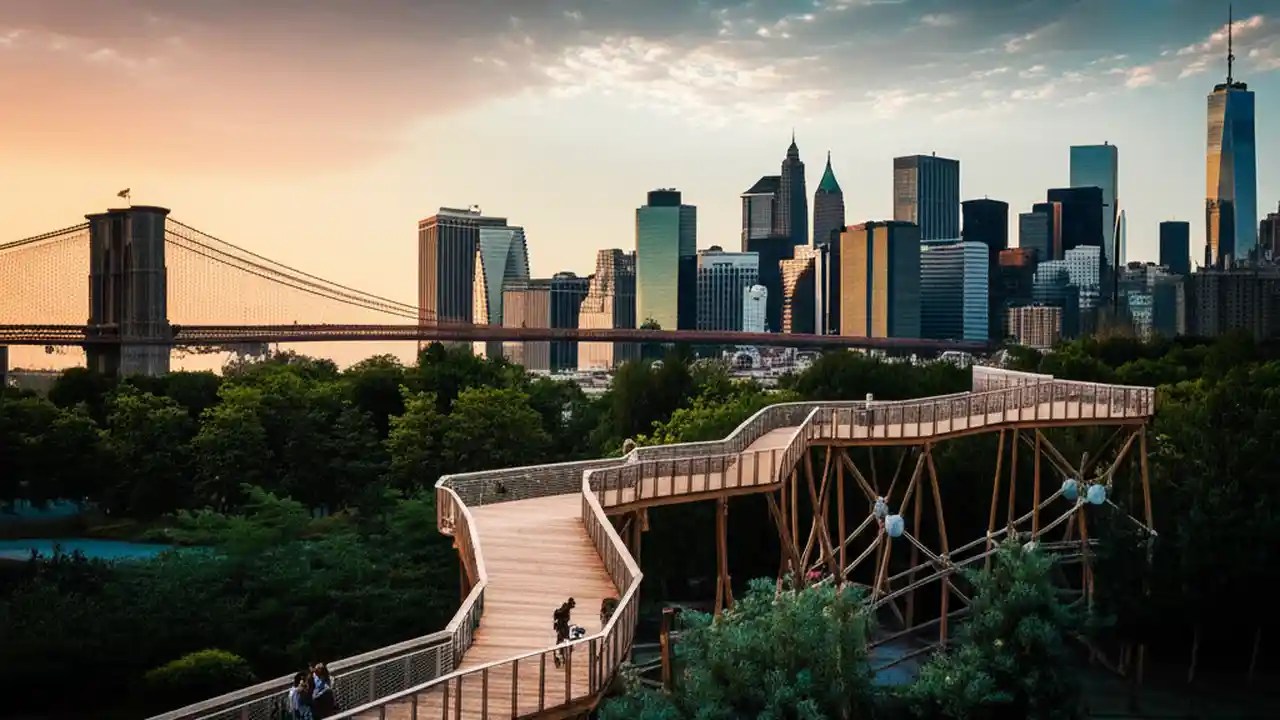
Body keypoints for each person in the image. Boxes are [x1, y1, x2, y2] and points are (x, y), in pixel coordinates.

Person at [552, 597, 576, 667]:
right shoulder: (565, 608)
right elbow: (559, 614)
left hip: (563, 626)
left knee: (562, 641)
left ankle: (562, 657)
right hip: (562, 627)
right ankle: (559, 658)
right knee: (561, 641)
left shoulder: (566, 608)